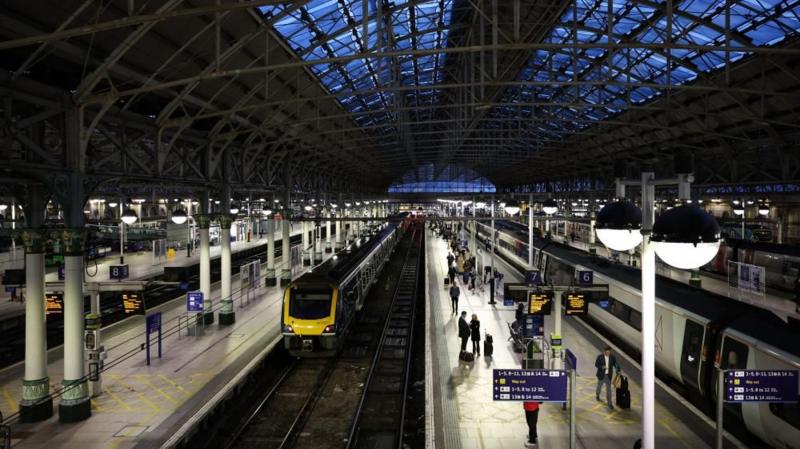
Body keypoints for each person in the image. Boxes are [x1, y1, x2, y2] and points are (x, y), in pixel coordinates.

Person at [595, 345, 619, 410]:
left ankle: (610, 403)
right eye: (607, 352)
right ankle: (597, 394)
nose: (608, 353)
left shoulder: (612, 357)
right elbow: (596, 364)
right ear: (604, 351)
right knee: (599, 387)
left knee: (609, 390)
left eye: (609, 352)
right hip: (601, 375)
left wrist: (618, 370)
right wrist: (602, 367)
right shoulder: (600, 357)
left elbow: (615, 364)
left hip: (608, 376)